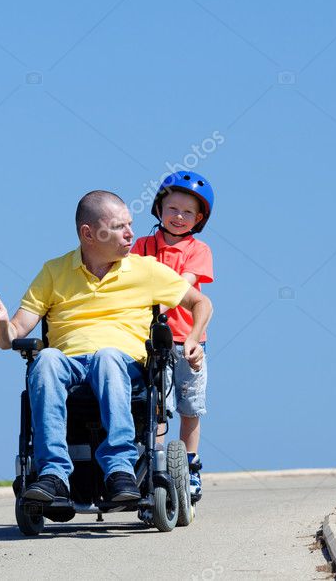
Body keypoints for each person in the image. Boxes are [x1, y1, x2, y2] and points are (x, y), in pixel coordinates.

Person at [0, 190, 212, 503]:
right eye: (119, 227)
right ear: (88, 234)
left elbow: (200, 301)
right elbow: (11, 337)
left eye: (129, 224)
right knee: (46, 359)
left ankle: (120, 470)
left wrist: (195, 337)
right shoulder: (54, 271)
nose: (131, 232)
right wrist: (0, 322)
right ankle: (52, 474)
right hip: (68, 366)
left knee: (107, 357)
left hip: (124, 367)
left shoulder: (146, 269)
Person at [132, 171, 214, 502]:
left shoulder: (198, 250)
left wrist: (156, 304)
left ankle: (190, 468)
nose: (178, 217)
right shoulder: (142, 246)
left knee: (189, 406)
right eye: (172, 209)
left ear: (199, 219)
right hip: (149, 342)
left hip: (187, 340)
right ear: (159, 209)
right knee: (155, 406)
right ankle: (155, 465)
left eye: (187, 212)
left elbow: (182, 286)